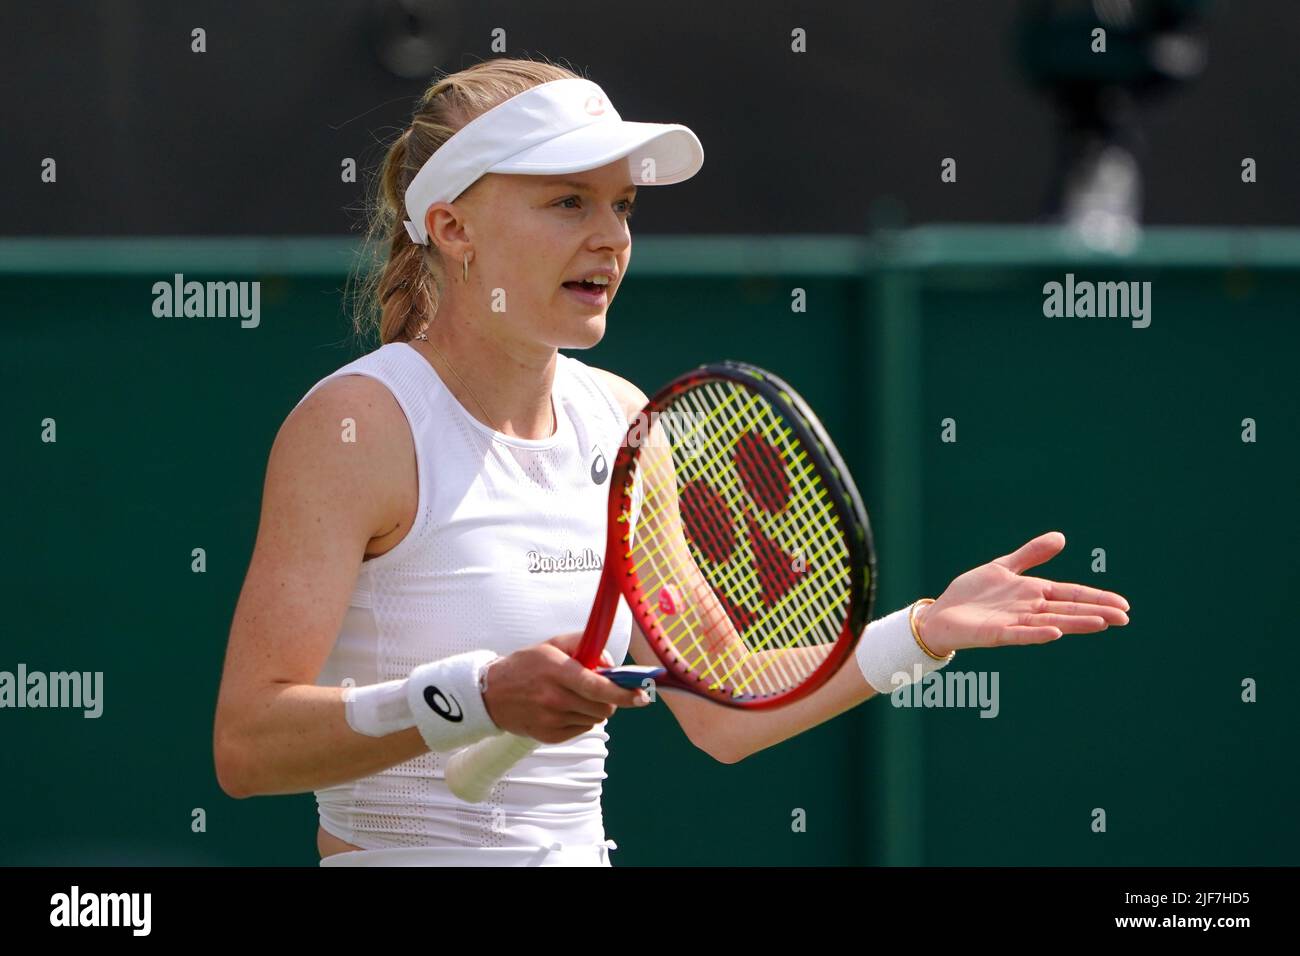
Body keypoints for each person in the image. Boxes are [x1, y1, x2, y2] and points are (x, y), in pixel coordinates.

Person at [212, 57, 1131, 868]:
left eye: (623, 205)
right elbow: (248, 747)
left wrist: (926, 631)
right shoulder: (359, 424)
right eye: (568, 200)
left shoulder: (618, 417)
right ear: (453, 228)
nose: (611, 237)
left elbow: (724, 706)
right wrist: (480, 697)